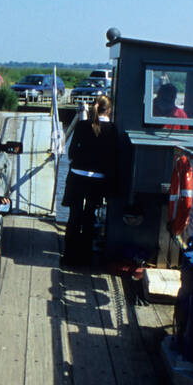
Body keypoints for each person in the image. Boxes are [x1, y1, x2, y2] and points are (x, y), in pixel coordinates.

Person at [63, 95, 120, 266]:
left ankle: (68, 256)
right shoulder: (112, 129)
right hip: (97, 180)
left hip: (77, 176)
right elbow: (113, 159)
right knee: (89, 217)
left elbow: (71, 152)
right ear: (109, 110)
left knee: (74, 216)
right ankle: (85, 257)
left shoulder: (82, 125)